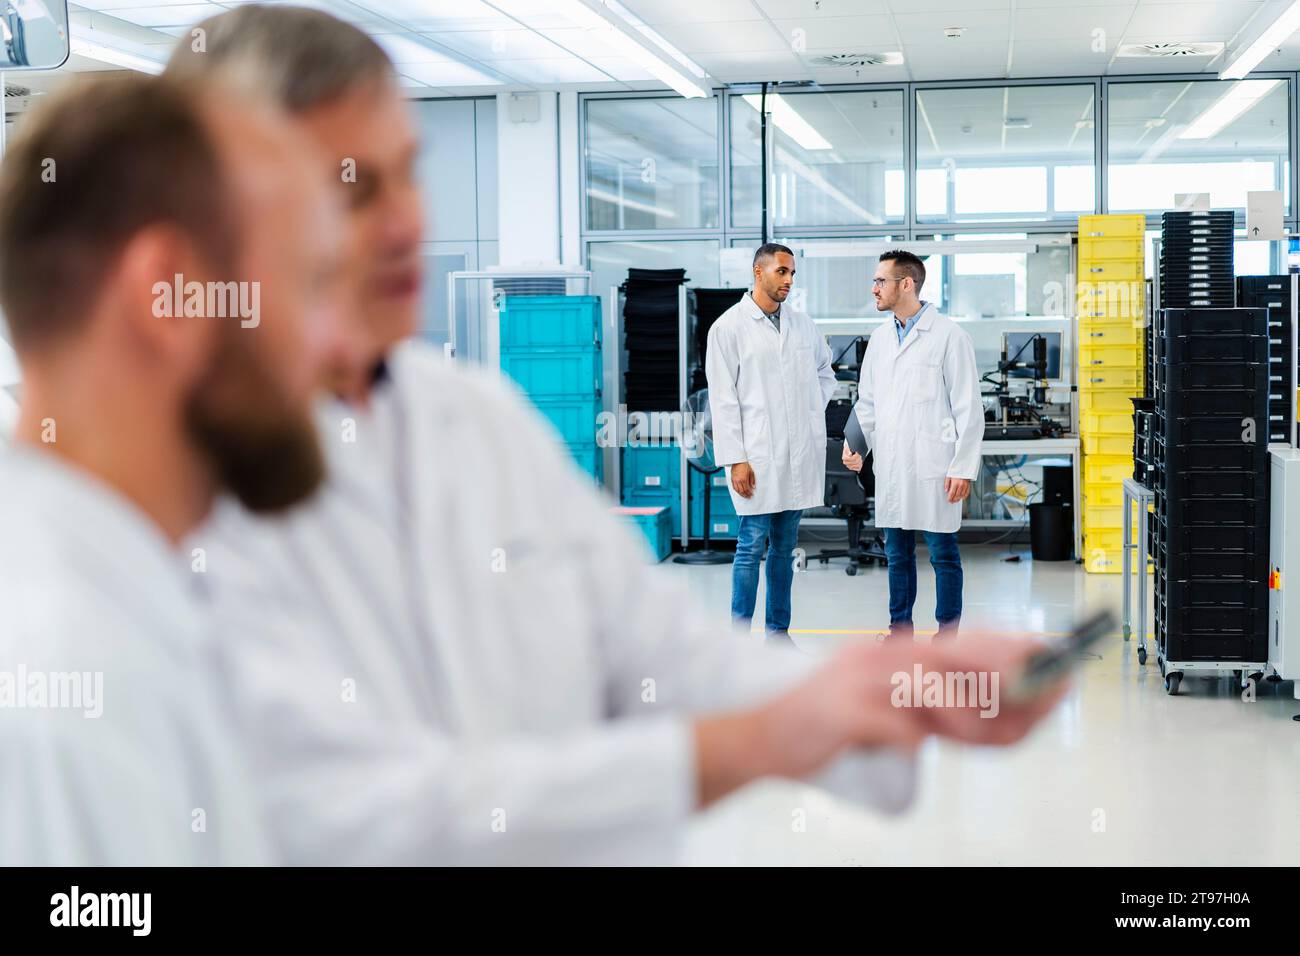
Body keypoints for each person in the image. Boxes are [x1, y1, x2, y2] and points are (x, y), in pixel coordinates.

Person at [172, 8, 1060, 866]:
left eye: (409, 174)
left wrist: (887, 695)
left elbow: (650, 643)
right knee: (762, 545)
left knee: (782, 554)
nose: (407, 221)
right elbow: (380, 816)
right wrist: (759, 741)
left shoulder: (468, 419)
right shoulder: (167, 507)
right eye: (354, 184)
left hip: (817, 473)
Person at [0, 74, 348, 863]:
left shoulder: (135, 605)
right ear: (171, 295)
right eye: (309, 283)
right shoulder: (65, 691)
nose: (338, 349)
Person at [847, 250, 984, 640]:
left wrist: (962, 467)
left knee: (943, 555)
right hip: (892, 465)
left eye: (880, 281)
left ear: (906, 284)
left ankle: (947, 635)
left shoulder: (949, 336)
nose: (874, 288)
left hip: (935, 467)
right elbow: (868, 402)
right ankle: (900, 632)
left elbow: (968, 408)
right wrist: (855, 443)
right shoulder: (879, 338)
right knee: (897, 556)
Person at [706, 244, 836, 641]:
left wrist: (808, 412)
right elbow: (723, 399)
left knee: (784, 548)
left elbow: (825, 374)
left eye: (792, 273)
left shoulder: (802, 325)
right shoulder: (728, 328)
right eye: (782, 272)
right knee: (750, 546)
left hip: (796, 457)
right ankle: (739, 642)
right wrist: (736, 459)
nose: (789, 281)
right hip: (756, 458)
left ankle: (778, 634)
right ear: (758, 272)